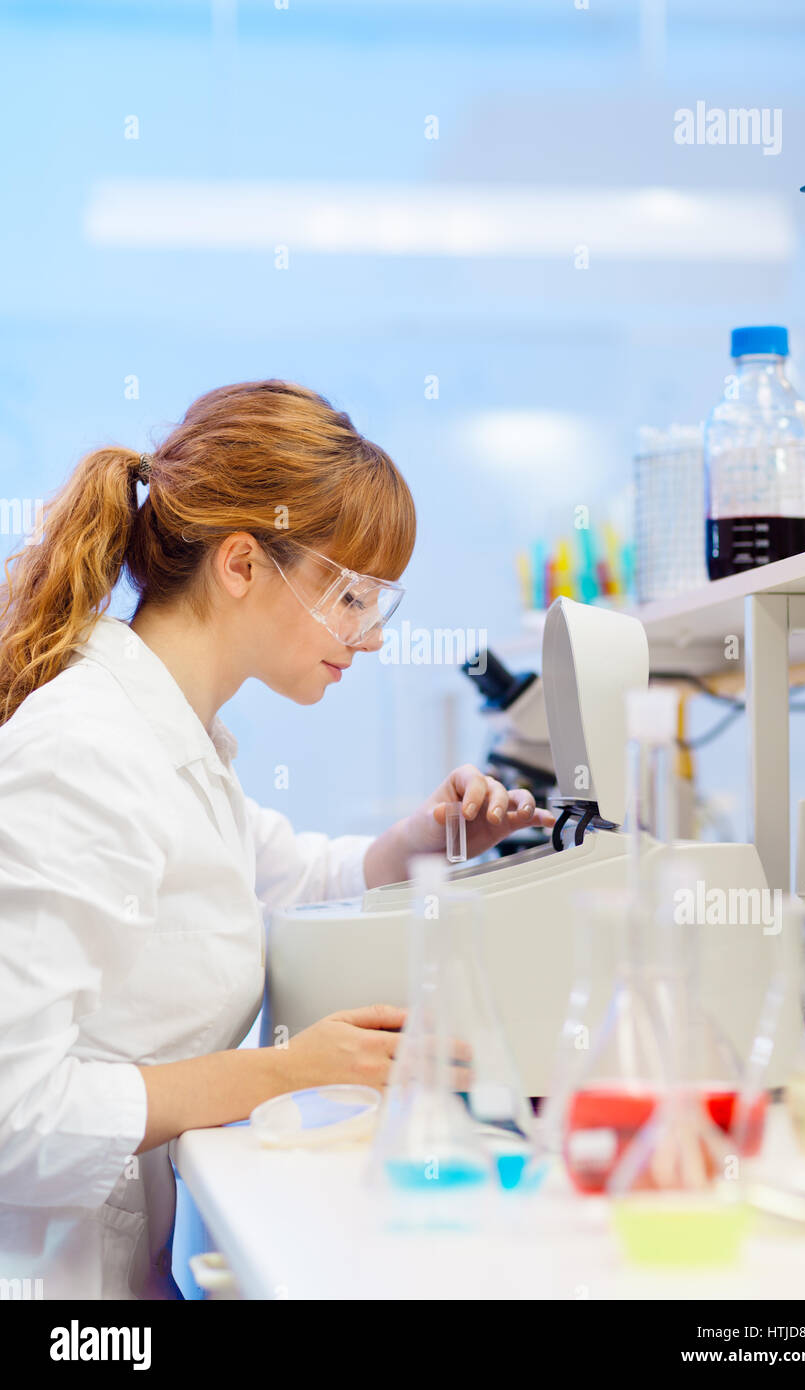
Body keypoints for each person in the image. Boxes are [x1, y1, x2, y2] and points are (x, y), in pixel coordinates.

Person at [0, 380, 553, 1299]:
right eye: (349, 596)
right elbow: (11, 1114)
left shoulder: (176, 740)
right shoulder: (85, 754)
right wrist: (285, 1072)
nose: (368, 638)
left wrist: (431, 836)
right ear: (243, 564)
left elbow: (289, 878)